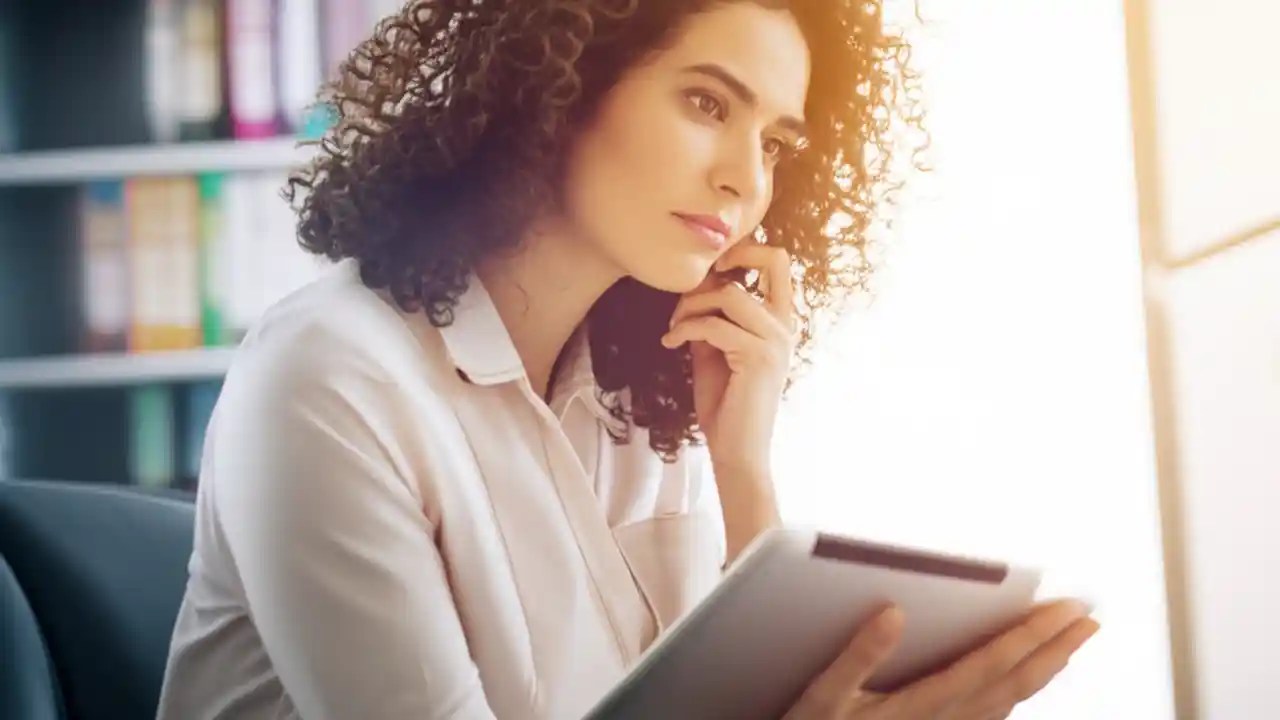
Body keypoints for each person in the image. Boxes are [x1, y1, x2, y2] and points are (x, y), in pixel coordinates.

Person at [156, 1, 1099, 718]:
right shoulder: (329, 376)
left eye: (775, 143)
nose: (746, 177)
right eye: (705, 102)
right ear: (560, 84)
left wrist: (743, 469)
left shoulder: (644, 403)